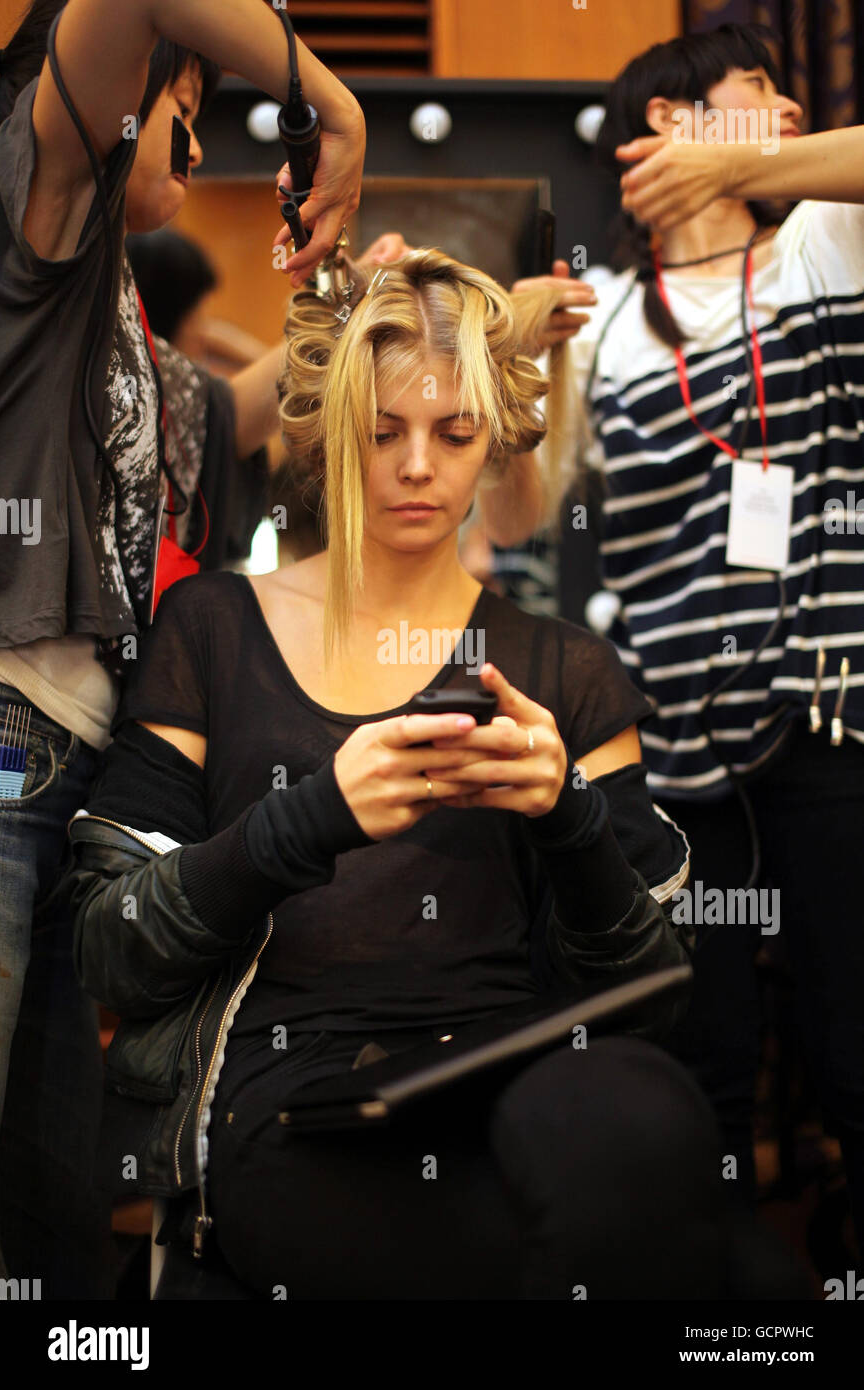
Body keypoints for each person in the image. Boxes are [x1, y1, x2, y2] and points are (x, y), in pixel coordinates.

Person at [61, 244, 800, 1302]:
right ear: (329, 441)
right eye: (383, 433)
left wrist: (568, 817)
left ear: (494, 438)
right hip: (296, 1091)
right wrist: (307, 818)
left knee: (644, 1130)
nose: (417, 467)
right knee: (690, 1271)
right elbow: (109, 949)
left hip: (524, 1066)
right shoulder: (216, 630)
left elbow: (642, 998)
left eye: (452, 434)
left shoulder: (565, 671)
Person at [0, 0, 364, 1294]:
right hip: (7, 739)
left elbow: (233, 412)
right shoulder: (36, 190)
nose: (197, 154)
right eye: (184, 116)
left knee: (47, 1197)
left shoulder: (115, 326)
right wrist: (338, 106)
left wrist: (348, 303)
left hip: (65, 775)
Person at [512, 22, 864, 1257]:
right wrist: (513, 370)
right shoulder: (599, 315)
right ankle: (717, 1298)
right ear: (662, 125)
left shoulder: (821, 243)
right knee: (697, 1054)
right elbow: (515, 516)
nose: (779, 104)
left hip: (831, 718)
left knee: (851, 1040)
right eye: (749, 89)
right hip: (672, 743)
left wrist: (741, 166)